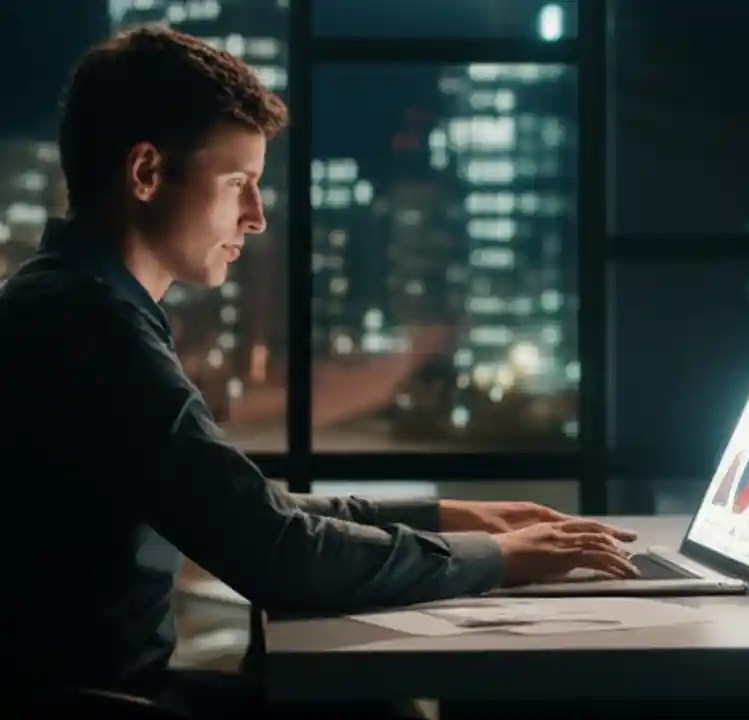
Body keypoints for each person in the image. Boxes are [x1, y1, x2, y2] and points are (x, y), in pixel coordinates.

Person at [0, 24, 639, 716]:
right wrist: (496, 558)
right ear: (147, 173)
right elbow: (276, 552)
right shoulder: (90, 328)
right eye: (239, 183)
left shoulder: (71, 301)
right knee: (382, 708)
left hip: (104, 691)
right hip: (95, 702)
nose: (257, 217)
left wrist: (446, 516)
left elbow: (240, 510)